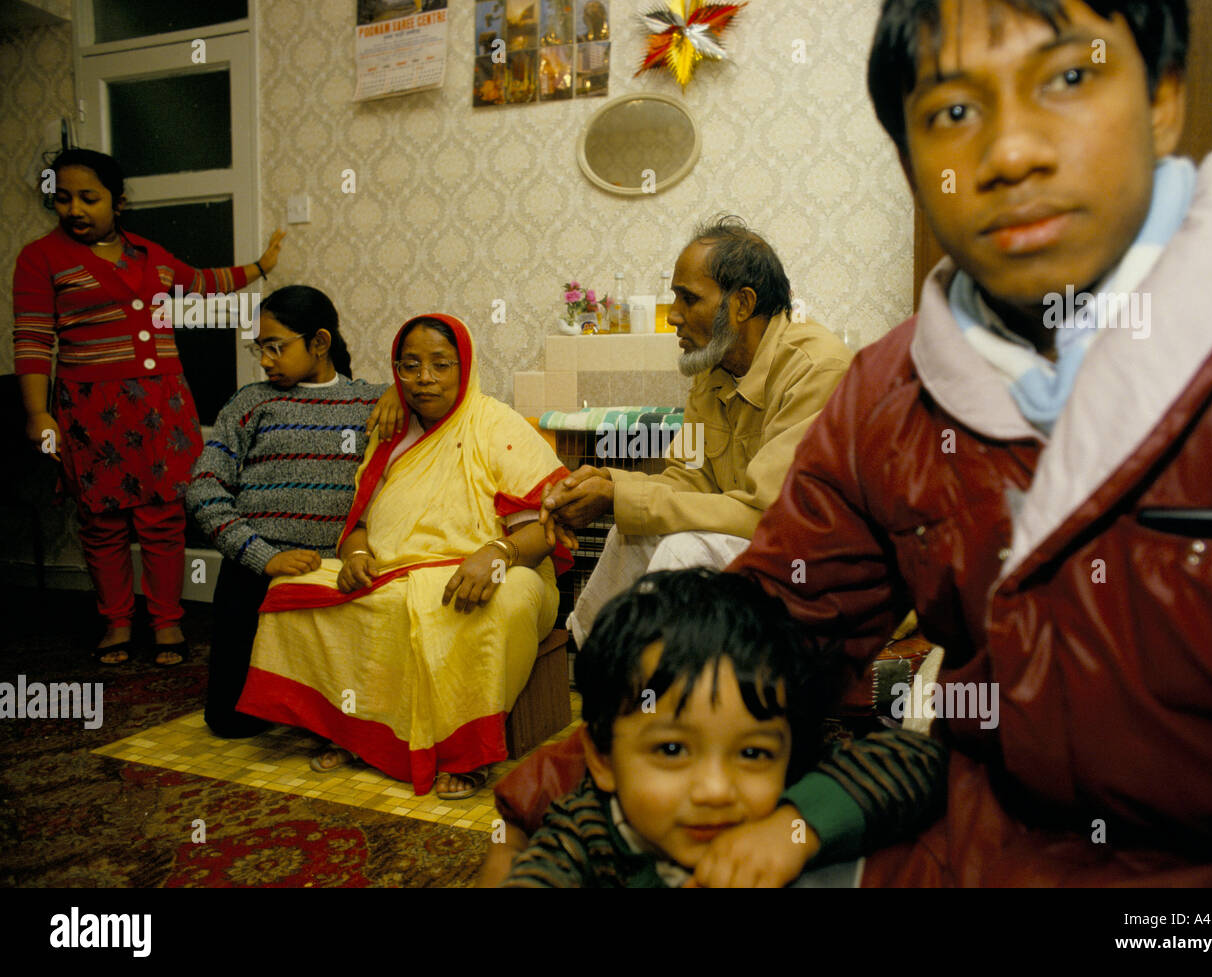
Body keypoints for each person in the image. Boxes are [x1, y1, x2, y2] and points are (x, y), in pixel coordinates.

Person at [730, 0, 1212, 884]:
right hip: (979, 851)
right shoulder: (888, 390)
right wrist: (567, 806)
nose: (1009, 154)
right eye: (953, 112)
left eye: (1069, 78)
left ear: (1164, 100)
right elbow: (763, 632)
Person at [236, 313, 572, 799]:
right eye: (410, 366)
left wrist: (496, 553)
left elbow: (545, 528)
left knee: (501, 602)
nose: (424, 378)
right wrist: (354, 556)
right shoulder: (390, 430)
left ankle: (463, 752)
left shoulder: (497, 424)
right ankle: (356, 733)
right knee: (292, 590)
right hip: (392, 571)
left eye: (440, 364)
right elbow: (362, 525)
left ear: (466, 366)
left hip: (493, 567)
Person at [500, 569, 947, 887]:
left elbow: (917, 759)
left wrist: (796, 825)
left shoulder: (795, 790)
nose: (715, 790)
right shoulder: (587, 830)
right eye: (673, 750)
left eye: (753, 753)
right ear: (603, 760)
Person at [12, 147, 285, 666]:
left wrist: (260, 267)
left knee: (163, 518)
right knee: (103, 521)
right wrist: (37, 413)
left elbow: (202, 282)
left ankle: (166, 621)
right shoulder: (39, 257)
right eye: (63, 199)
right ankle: (115, 620)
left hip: (162, 405)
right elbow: (30, 337)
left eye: (89, 198)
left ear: (118, 201)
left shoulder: (149, 254)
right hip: (90, 410)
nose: (75, 209)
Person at [539, 215, 852, 648]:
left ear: (741, 305)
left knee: (684, 550)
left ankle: (668, 696)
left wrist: (619, 496)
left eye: (688, 300)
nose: (674, 318)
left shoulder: (817, 370)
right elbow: (687, 479)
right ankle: (598, 667)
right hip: (750, 544)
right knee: (629, 533)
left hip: (812, 561)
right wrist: (609, 482)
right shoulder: (712, 367)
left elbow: (771, 516)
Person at [188, 285, 401, 738]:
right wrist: (263, 556)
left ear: (319, 343)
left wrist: (400, 393)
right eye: (259, 347)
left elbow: (443, 398)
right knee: (231, 724)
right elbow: (204, 489)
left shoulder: (371, 403)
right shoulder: (250, 403)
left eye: (275, 346)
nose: (264, 360)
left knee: (330, 720)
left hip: (333, 567)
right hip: (255, 569)